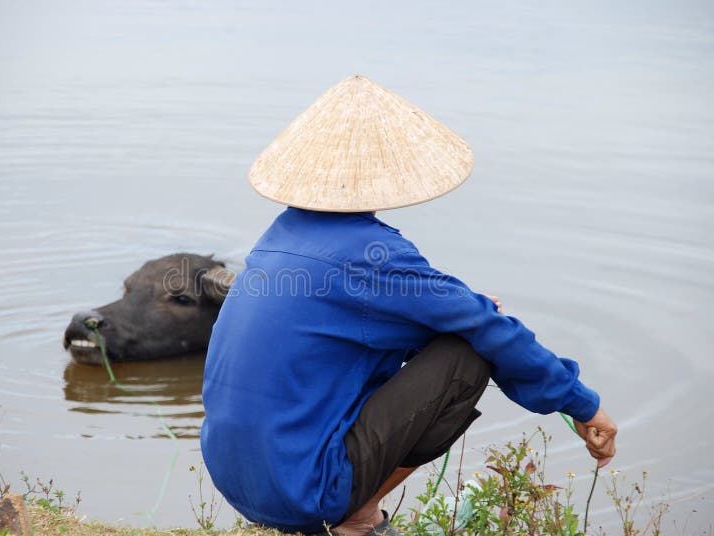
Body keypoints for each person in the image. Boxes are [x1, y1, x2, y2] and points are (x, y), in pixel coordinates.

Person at [200, 75, 617, 536]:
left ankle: (349, 509)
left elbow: (353, 321)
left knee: (459, 329)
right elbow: (484, 327)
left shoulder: (277, 238)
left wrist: (459, 314)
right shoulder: (373, 254)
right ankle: (357, 520)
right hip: (302, 492)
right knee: (469, 351)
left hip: (238, 480)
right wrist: (584, 405)